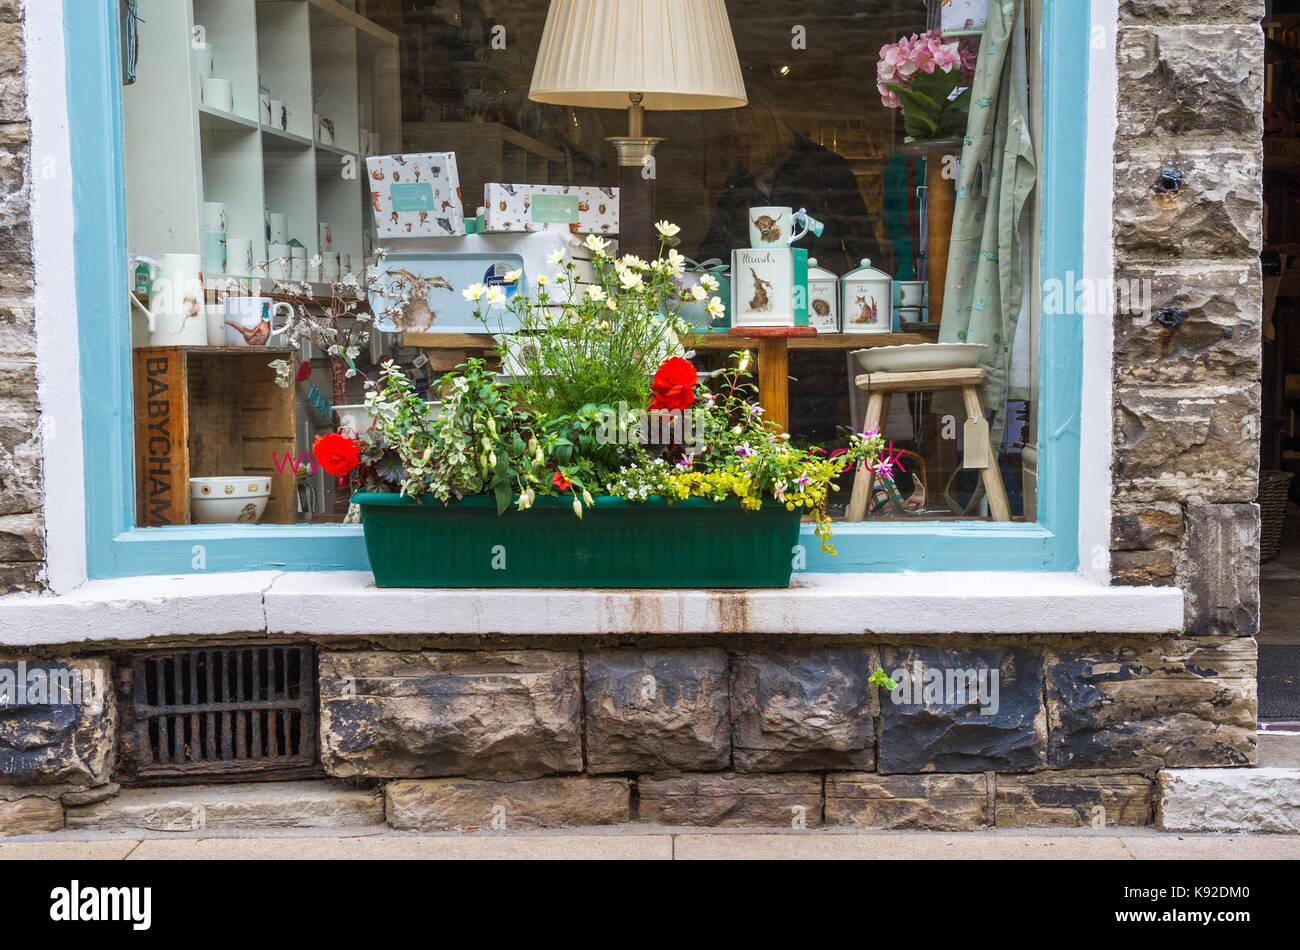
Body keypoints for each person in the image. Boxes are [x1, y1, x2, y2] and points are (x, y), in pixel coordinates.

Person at [697, 83, 886, 277]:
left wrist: (869, 288)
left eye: (740, 139)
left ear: (763, 135)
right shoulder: (739, 180)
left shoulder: (824, 168)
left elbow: (861, 241)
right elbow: (713, 245)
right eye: (729, 139)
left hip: (817, 287)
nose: (732, 148)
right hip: (757, 289)